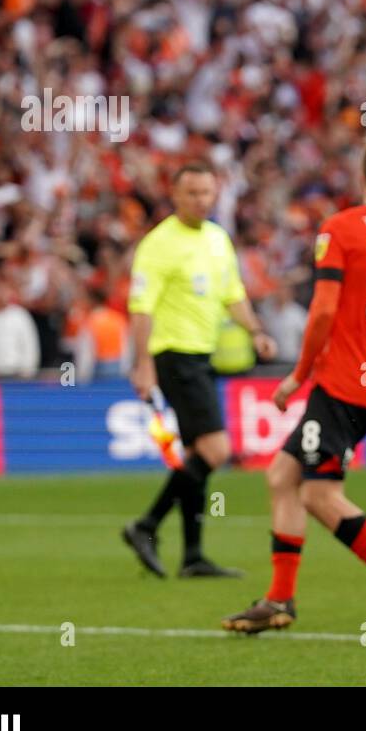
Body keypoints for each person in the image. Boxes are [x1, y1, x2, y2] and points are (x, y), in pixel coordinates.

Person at [222, 136, 366, 635]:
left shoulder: (340, 229)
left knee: (300, 485)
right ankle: (293, 599)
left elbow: (322, 309)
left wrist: (297, 376)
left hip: (339, 385)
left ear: (362, 175)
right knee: (301, 485)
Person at [122, 162, 277, 578]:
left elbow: (233, 294)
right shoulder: (158, 244)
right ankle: (146, 525)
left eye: (207, 192)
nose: (201, 200)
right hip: (173, 354)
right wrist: (142, 365)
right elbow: (141, 307)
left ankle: (192, 556)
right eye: (192, 193)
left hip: (202, 356)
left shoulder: (217, 239)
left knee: (195, 455)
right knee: (217, 450)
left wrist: (256, 330)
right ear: (174, 195)